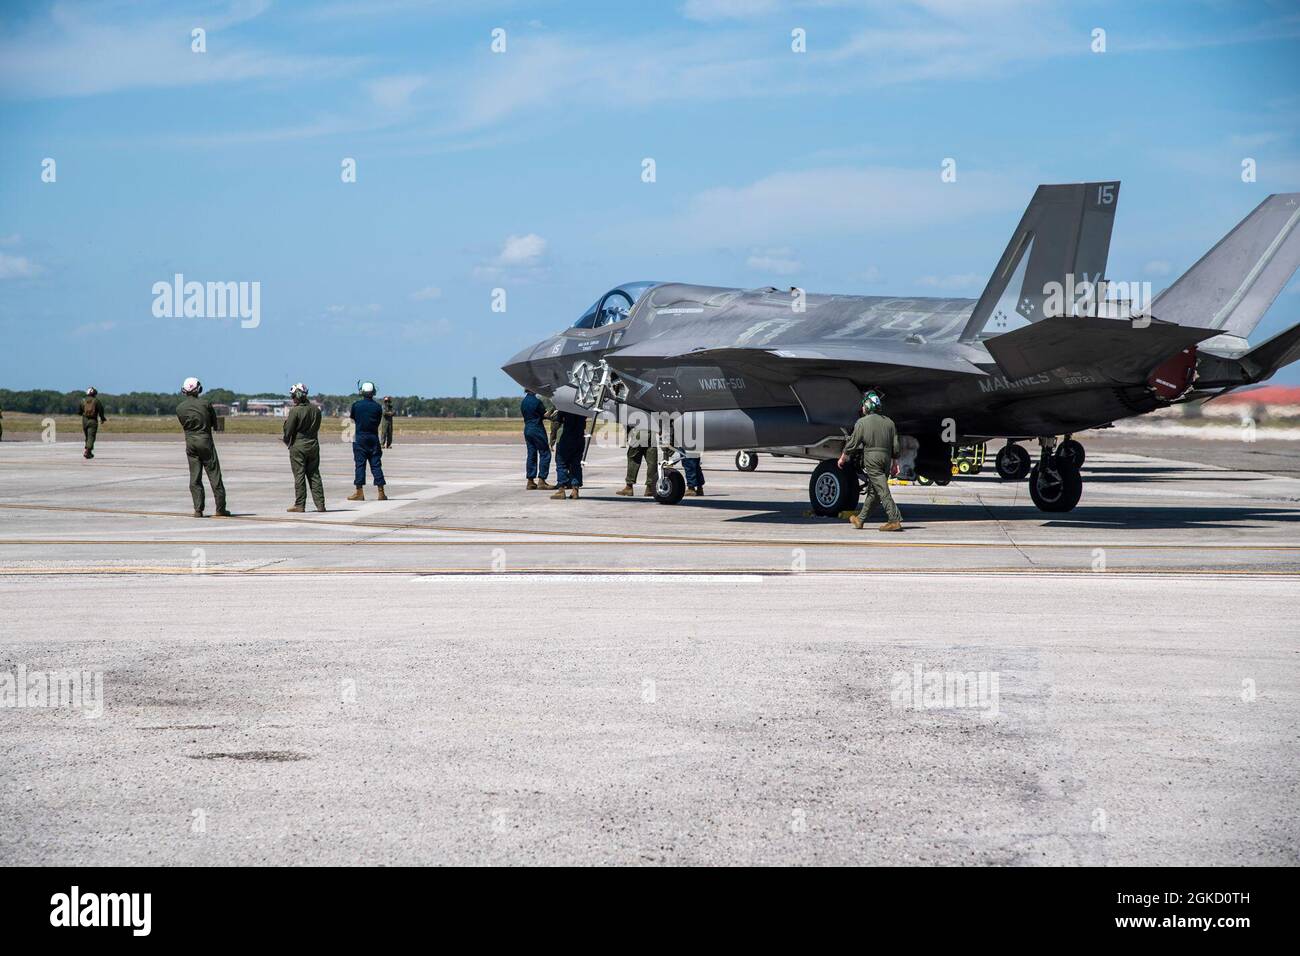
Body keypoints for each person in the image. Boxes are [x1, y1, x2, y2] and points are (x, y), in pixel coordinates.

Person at [838, 389, 902, 532]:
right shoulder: (889, 423)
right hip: (886, 459)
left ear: (867, 406)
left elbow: (853, 443)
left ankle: (894, 519)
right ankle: (860, 520)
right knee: (874, 492)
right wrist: (895, 463)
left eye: (863, 405)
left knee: (882, 489)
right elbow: (896, 446)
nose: (862, 408)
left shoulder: (862, 422)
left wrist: (843, 457)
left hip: (872, 459)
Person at [176, 377, 230, 517]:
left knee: (195, 477)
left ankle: (198, 509)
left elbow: (184, 424)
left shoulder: (179, 408)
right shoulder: (206, 404)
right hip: (205, 441)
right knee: (214, 475)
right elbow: (215, 424)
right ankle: (220, 508)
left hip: (190, 443)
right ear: (198, 389)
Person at [283, 383, 326, 513]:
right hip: (313, 444)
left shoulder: (295, 411)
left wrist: (287, 440)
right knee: (314, 474)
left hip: (299, 446)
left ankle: (300, 504)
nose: (292, 399)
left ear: (298, 395)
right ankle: (320, 504)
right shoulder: (316, 410)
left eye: (293, 396)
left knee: (299, 475)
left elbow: (288, 430)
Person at [347, 382, 387, 501]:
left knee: (360, 465)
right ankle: (381, 492)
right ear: (373, 392)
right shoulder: (377, 407)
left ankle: (359, 492)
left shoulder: (356, 405)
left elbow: (353, 417)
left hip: (360, 438)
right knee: (376, 464)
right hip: (373, 437)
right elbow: (378, 420)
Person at [550, 409, 587, 500]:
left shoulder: (565, 407)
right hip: (580, 438)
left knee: (561, 463)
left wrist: (552, 439)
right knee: (576, 464)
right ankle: (575, 490)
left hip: (566, 438)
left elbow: (555, 422)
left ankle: (561, 489)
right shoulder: (583, 409)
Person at [520, 388, 552, 490]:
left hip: (527, 429)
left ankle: (530, 481)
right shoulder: (536, 401)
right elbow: (544, 414)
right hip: (537, 428)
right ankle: (542, 480)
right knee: (545, 453)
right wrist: (553, 411)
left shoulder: (523, 402)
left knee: (531, 454)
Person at [617, 418, 658, 497]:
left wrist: (626, 435)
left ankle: (629, 487)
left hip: (639, 433)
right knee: (652, 463)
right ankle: (650, 488)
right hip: (651, 434)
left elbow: (628, 419)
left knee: (633, 459)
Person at [80, 387, 107, 459]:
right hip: (93, 420)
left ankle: (88, 450)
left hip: (84, 420)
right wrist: (102, 418)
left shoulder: (83, 400)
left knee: (87, 436)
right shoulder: (96, 401)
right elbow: (101, 410)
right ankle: (87, 451)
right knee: (91, 437)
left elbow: (79, 411)